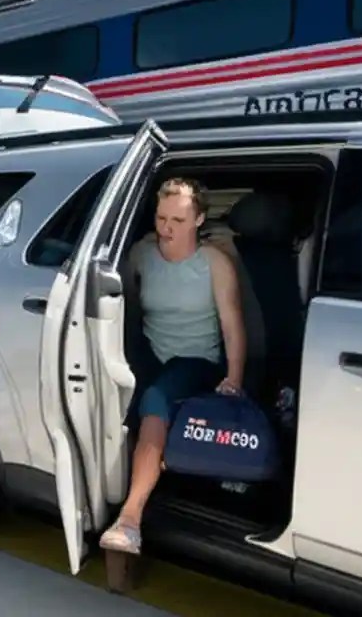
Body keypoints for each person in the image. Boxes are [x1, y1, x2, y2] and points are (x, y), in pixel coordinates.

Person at [99, 177, 246, 555]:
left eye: (178, 221)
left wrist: (233, 379)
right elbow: (123, 306)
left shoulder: (214, 263)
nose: (167, 228)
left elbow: (233, 326)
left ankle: (129, 520)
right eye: (161, 218)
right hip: (152, 350)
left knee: (155, 400)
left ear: (198, 220)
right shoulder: (142, 255)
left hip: (198, 358)